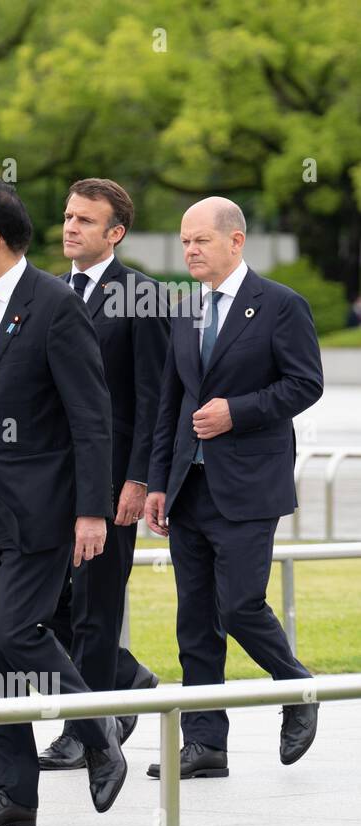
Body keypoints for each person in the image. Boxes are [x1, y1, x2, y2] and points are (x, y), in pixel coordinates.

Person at [0, 178, 126, 826]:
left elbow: (91, 417)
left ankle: (97, 731)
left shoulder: (54, 305)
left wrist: (91, 510)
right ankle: (12, 792)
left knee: (14, 634)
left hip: (39, 509)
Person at [145, 197, 323, 779]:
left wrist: (237, 412)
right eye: (185, 241)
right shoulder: (184, 309)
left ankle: (297, 688)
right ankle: (204, 745)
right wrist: (156, 483)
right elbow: (170, 404)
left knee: (240, 605)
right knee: (194, 620)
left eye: (201, 240)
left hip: (248, 485)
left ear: (236, 241)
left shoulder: (280, 306)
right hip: (188, 488)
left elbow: (305, 384)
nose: (190, 250)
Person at [38, 179, 167, 772]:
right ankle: (126, 676)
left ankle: (83, 729)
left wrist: (139, 478)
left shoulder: (141, 296)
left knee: (94, 602)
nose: (70, 228)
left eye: (85, 221)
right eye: (68, 217)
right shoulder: (46, 291)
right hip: (50, 480)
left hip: (113, 480)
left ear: (115, 232)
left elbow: (152, 398)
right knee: (45, 603)